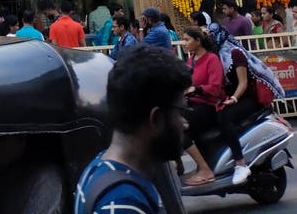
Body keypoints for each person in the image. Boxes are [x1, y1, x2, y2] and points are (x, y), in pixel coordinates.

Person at [74, 45, 191, 213]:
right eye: (181, 112)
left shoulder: (101, 169)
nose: (185, 123)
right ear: (156, 118)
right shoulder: (122, 203)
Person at [208, 22, 285, 185]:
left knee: (224, 117)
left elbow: (242, 83)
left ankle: (240, 162)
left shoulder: (235, 54)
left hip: (248, 97)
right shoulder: (216, 54)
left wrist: (233, 99)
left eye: (210, 35)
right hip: (233, 95)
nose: (209, 39)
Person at [180, 27, 225, 186]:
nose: (184, 43)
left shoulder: (212, 59)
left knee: (178, 129)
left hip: (209, 106)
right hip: (192, 104)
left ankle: (205, 169)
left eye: (187, 39)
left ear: (198, 41)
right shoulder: (191, 59)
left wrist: (197, 89)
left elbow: (215, 87)